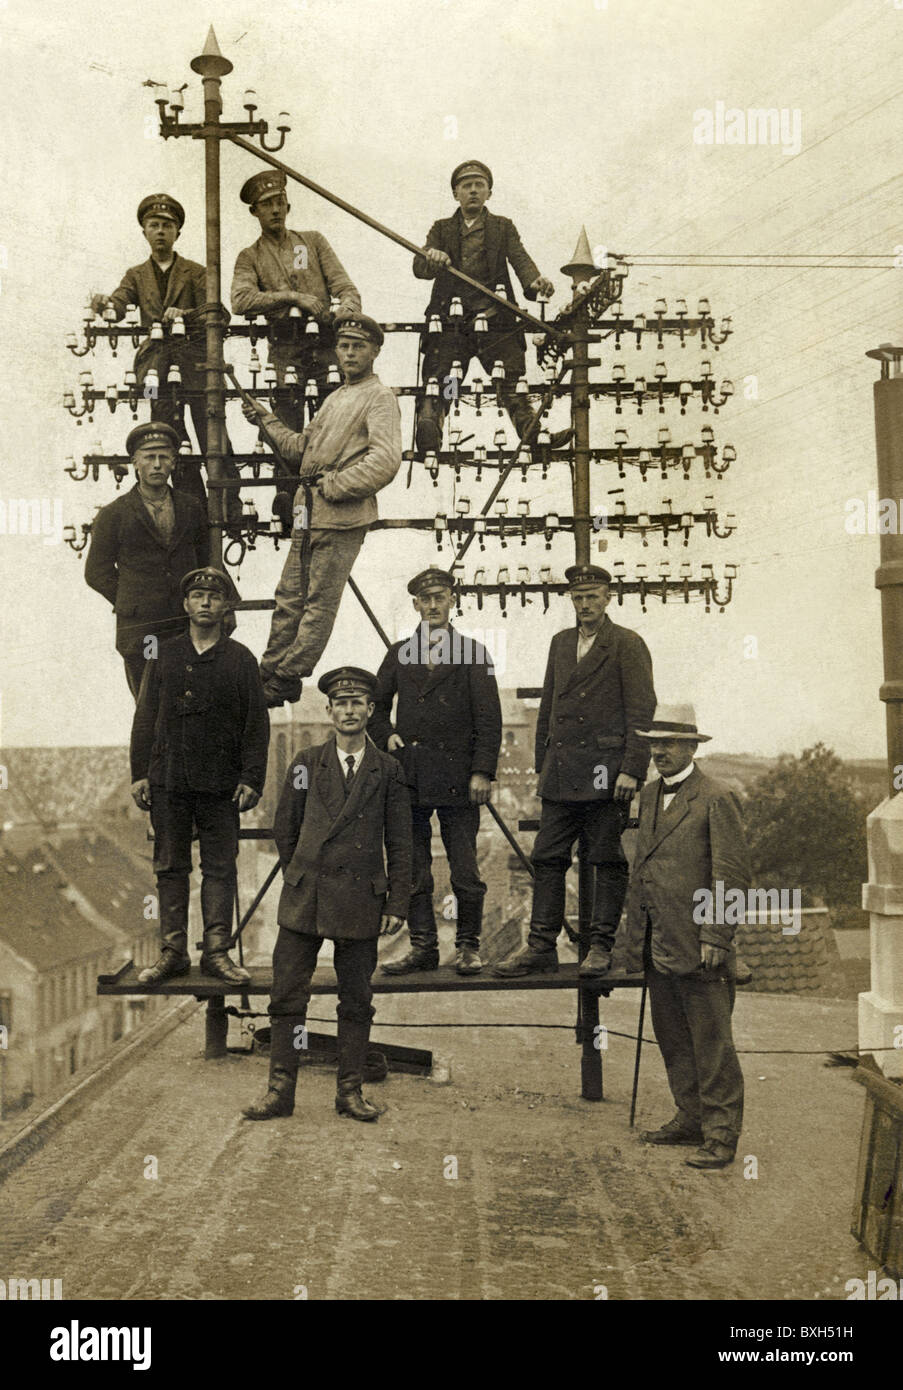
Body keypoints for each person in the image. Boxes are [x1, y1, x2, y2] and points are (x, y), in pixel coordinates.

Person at [242, 666, 412, 1124]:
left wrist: (397, 902)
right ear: (329, 711)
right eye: (342, 703)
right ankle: (280, 1091)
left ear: (371, 711)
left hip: (361, 898)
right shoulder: (305, 763)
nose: (350, 711)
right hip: (307, 898)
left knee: (356, 999)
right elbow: (285, 826)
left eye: (358, 703)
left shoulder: (388, 771)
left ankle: (350, 1092)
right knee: (287, 996)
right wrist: (301, 869)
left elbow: (400, 841)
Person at [493, 564, 656, 978]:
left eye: (592, 597)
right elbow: (548, 708)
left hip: (607, 774)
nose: (585, 605)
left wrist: (632, 770)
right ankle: (541, 947)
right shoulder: (561, 643)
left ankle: (600, 946)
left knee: (604, 858)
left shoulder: (627, 644)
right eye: (578, 598)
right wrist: (541, 766)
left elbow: (642, 710)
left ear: (607, 598)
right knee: (547, 856)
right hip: (562, 772)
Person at [609, 704, 750, 1170]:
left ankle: (721, 1135)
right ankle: (689, 1117)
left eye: (668, 743)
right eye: (653, 743)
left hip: (699, 945)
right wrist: (634, 939)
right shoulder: (648, 795)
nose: (659, 752)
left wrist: (717, 936)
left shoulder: (716, 796)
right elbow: (643, 868)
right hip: (657, 940)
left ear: (691, 746)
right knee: (671, 1036)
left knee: (712, 1044)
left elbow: (730, 876)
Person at [240, 314, 402, 709]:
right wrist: (266, 419)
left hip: (341, 515)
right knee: (289, 596)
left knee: (317, 605)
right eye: (344, 346)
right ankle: (270, 670)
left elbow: (386, 461)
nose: (349, 353)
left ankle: (285, 678)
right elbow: (299, 450)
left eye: (358, 346)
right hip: (306, 512)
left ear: (374, 352)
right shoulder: (336, 397)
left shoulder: (379, 397)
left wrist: (336, 485)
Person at [129, 566, 269, 986]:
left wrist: (251, 778)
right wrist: (139, 774)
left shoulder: (240, 658)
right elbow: (145, 716)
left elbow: (255, 725)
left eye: (214, 597)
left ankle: (216, 952)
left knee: (220, 868)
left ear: (226, 606)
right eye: (198, 596)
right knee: (170, 866)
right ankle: (172, 953)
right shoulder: (164, 654)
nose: (206, 603)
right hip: (169, 779)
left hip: (220, 784)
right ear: (186, 604)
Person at [370, 568, 502, 976]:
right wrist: (388, 736)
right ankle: (423, 946)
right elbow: (376, 707)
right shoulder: (398, 653)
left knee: (465, 867)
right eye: (424, 600)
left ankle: (467, 948)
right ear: (415, 605)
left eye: (439, 598)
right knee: (412, 865)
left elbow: (489, 720)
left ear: (451, 601)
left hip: (460, 778)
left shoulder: (474, 653)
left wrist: (482, 772)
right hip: (409, 775)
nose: (432, 606)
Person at [89, 193, 239, 514]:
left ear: (177, 233)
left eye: (167, 226)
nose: (160, 231)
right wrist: (106, 307)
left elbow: (218, 314)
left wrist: (184, 314)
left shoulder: (196, 272)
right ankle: (191, 505)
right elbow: (119, 303)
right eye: (153, 225)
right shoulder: (135, 275)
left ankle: (230, 502)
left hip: (196, 364)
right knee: (165, 433)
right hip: (154, 368)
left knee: (210, 426)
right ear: (144, 231)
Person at [231, 169, 361, 523]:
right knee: (286, 424)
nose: (274, 210)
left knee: (331, 421)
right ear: (254, 213)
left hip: (323, 348)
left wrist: (341, 315)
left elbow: (348, 291)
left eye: (279, 202)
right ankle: (288, 501)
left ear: (288, 204)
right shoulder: (250, 257)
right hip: (285, 349)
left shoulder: (311, 243)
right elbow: (240, 300)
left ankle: (331, 501)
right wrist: (293, 297)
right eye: (266, 205)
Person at [412, 159, 568, 454]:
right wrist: (432, 256)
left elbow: (519, 258)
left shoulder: (502, 227)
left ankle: (532, 434)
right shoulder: (441, 229)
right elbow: (419, 266)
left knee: (510, 382)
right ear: (455, 193)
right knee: (448, 378)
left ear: (489, 193)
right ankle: (433, 427)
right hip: (451, 322)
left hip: (495, 318)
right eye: (466, 186)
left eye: (479, 185)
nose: (473, 191)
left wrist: (534, 282)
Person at [85, 422, 209, 700]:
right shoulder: (113, 514)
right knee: (149, 705)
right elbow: (96, 572)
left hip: (185, 625)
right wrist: (132, 601)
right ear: (135, 462)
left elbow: (206, 561)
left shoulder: (191, 507)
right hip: (143, 632)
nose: (157, 464)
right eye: (149, 457)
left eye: (164, 457)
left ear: (173, 462)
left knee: (190, 702)